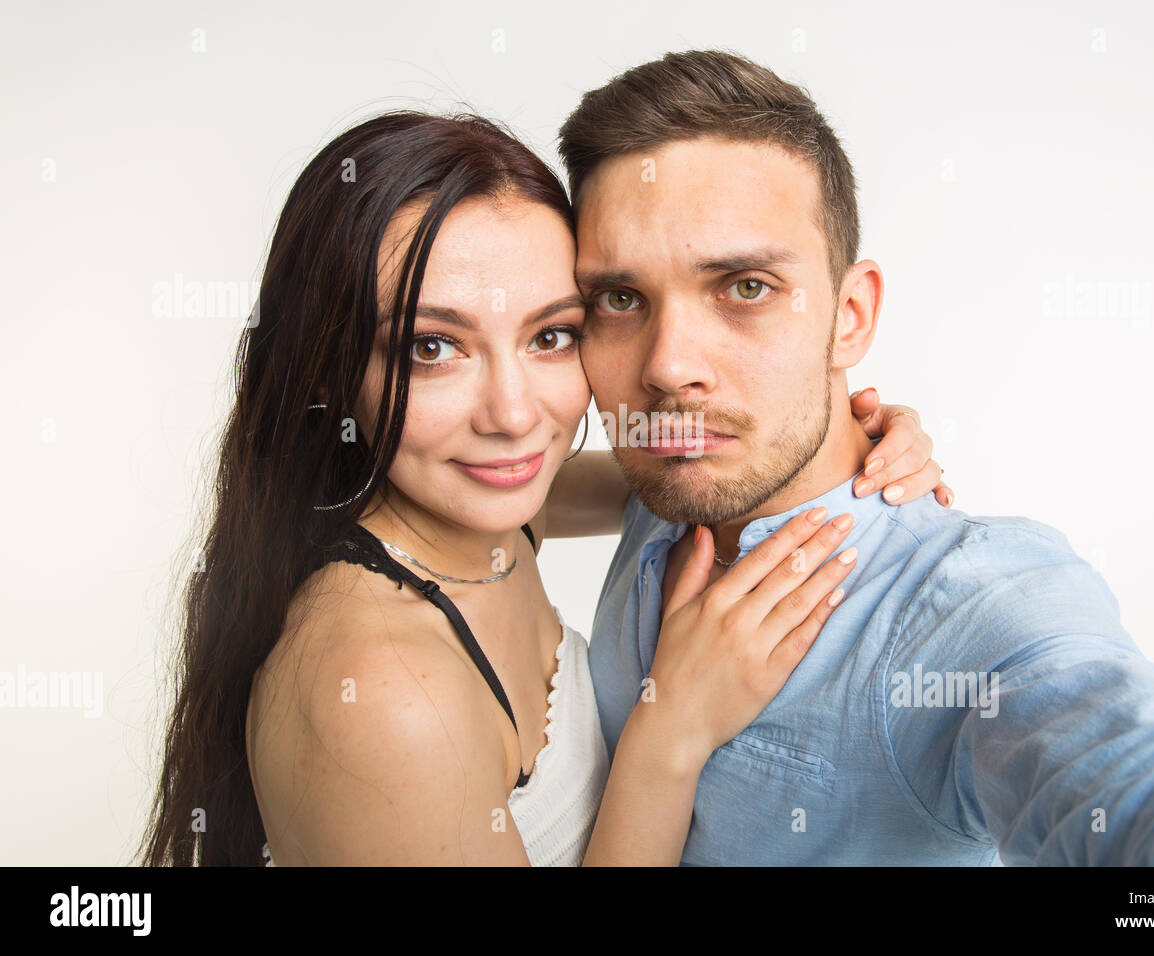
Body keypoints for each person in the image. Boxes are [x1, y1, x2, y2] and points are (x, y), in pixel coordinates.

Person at [136, 111, 946, 866]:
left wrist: (853, 439)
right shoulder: (385, 697)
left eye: (550, 336)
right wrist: (674, 732)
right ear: (329, 366)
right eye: (431, 348)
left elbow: (662, 477)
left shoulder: (484, 519)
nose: (516, 417)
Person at [559, 49, 1154, 865]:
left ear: (850, 317)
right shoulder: (667, 481)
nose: (667, 365)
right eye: (620, 299)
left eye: (744, 287)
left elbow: (1134, 766)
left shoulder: (966, 608)